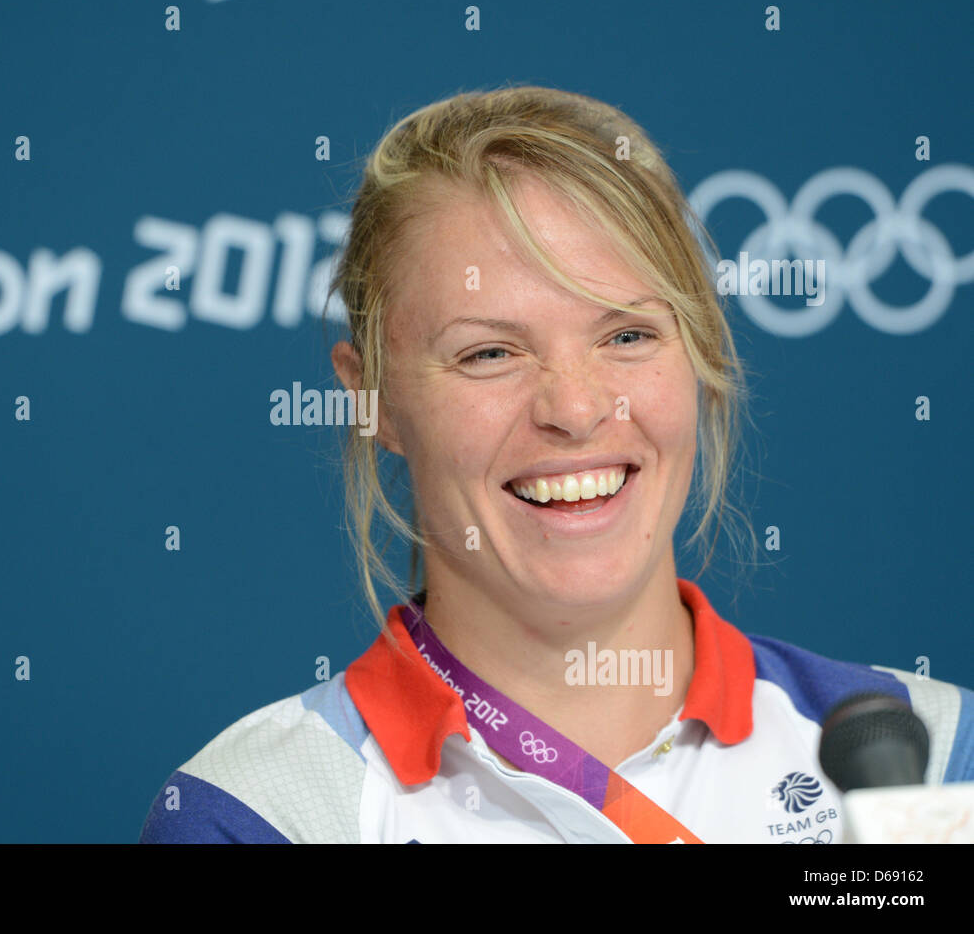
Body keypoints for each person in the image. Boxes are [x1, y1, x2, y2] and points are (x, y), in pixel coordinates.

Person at [139, 85, 974, 843]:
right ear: (375, 403)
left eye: (627, 336)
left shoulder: (932, 764)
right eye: (490, 352)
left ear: (701, 354)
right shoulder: (264, 812)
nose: (575, 409)